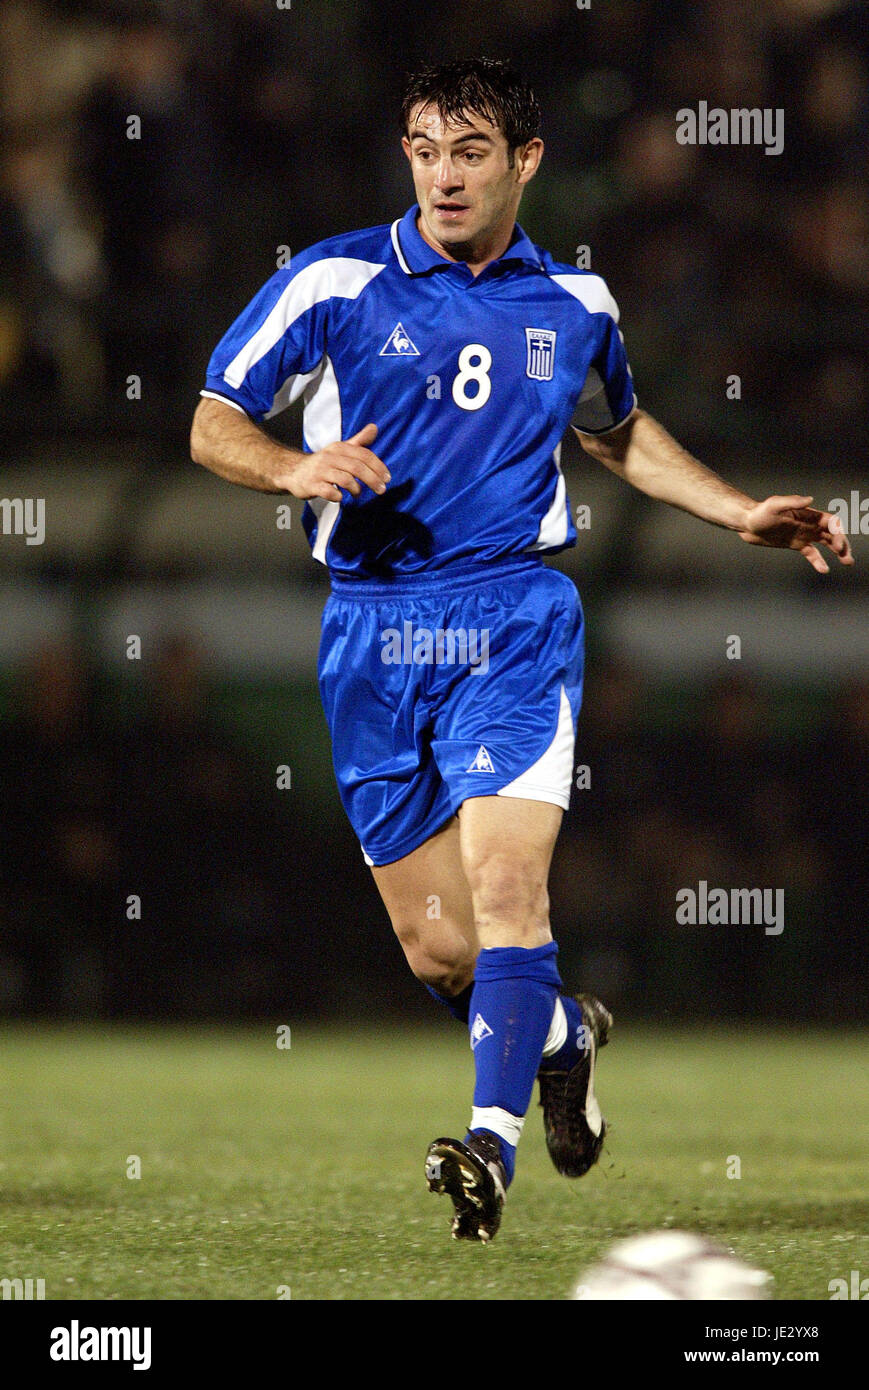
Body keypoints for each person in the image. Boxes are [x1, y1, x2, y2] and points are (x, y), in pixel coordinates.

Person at [190, 58, 852, 1243]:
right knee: (439, 948)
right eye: (424, 148)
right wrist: (290, 465)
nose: (442, 175)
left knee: (506, 889)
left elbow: (616, 431)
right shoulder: (333, 279)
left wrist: (737, 509)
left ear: (525, 162)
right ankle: (559, 1035)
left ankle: (485, 1149)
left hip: (510, 617)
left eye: (469, 152)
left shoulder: (575, 305)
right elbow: (210, 417)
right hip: (371, 628)